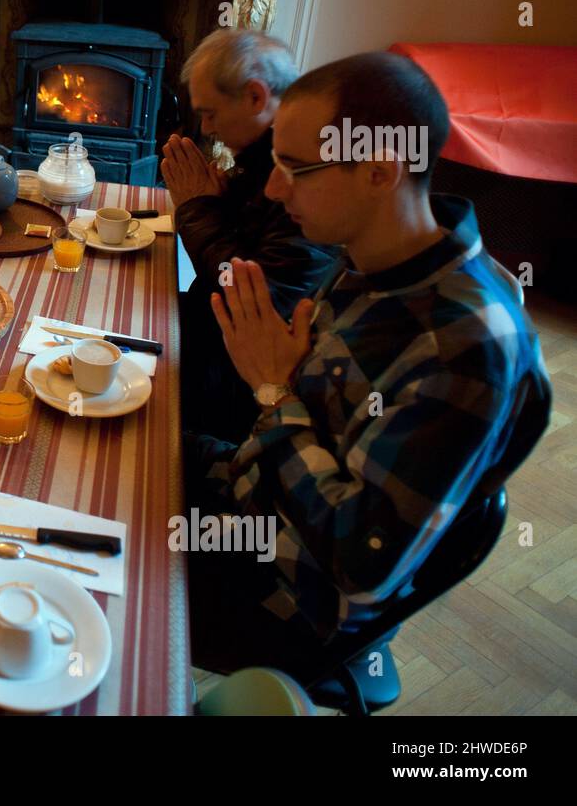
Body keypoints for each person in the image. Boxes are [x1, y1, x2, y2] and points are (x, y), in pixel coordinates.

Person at [183, 51, 552, 681]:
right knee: (91, 450)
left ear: (381, 171)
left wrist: (274, 394)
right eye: (274, 162)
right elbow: (312, 431)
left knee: (82, 561)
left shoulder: (467, 349)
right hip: (249, 498)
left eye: (294, 169)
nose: (273, 189)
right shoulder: (364, 263)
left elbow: (361, 560)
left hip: (282, 587)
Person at [166, 28, 338, 442]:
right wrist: (219, 205)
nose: (205, 128)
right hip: (216, 345)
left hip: (232, 394)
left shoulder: (308, 173)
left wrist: (198, 209)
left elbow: (255, 298)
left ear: (256, 97)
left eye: (210, 113)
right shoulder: (258, 160)